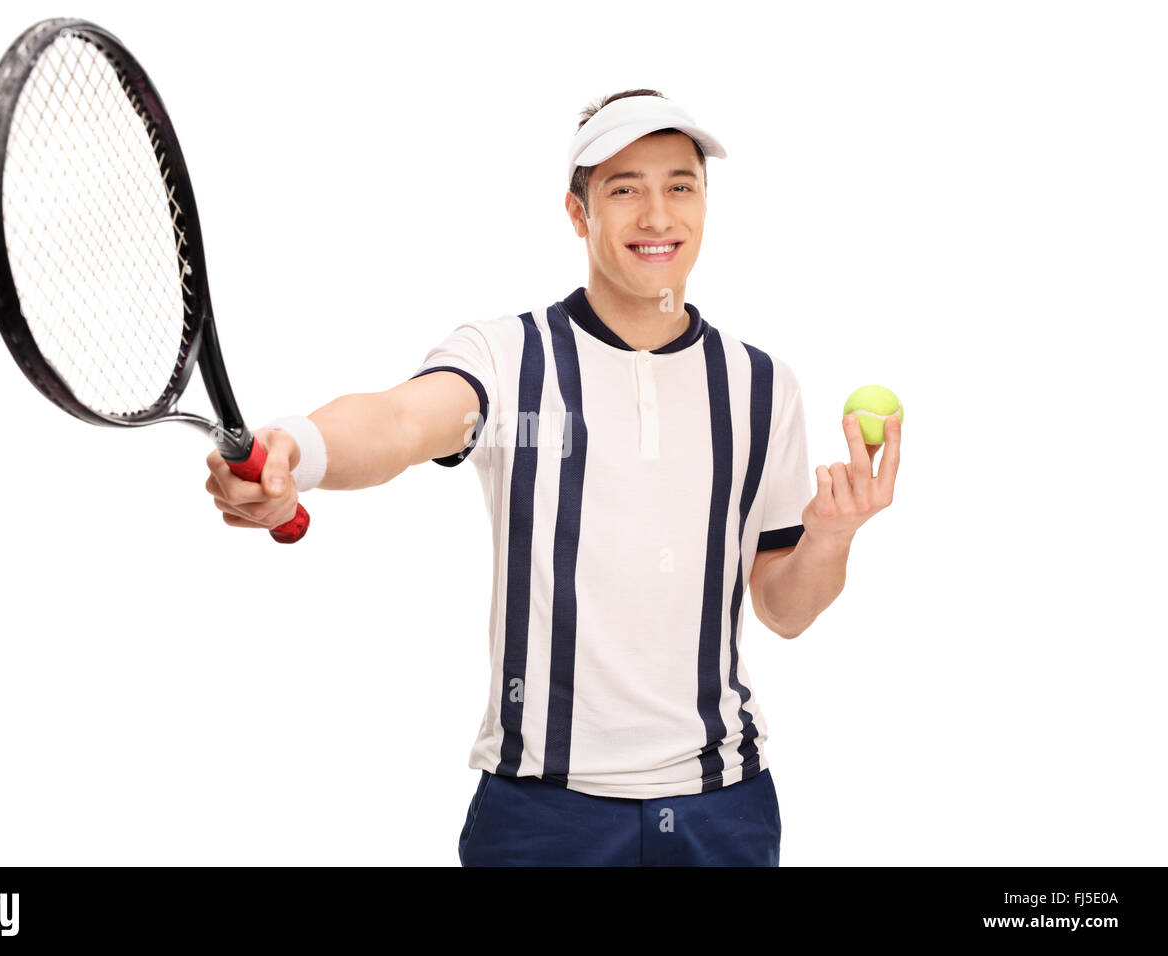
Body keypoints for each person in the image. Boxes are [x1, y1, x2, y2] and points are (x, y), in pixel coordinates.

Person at [204, 89, 902, 866]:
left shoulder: (762, 384)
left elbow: (786, 607)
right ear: (578, 212)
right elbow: (402, 421)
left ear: (705, 202)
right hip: (542, 814)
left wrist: (832, 539)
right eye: (624, 187)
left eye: (680, 185)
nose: (658, 215)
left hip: (725, 808)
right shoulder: (509, 358)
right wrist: (299, 447)